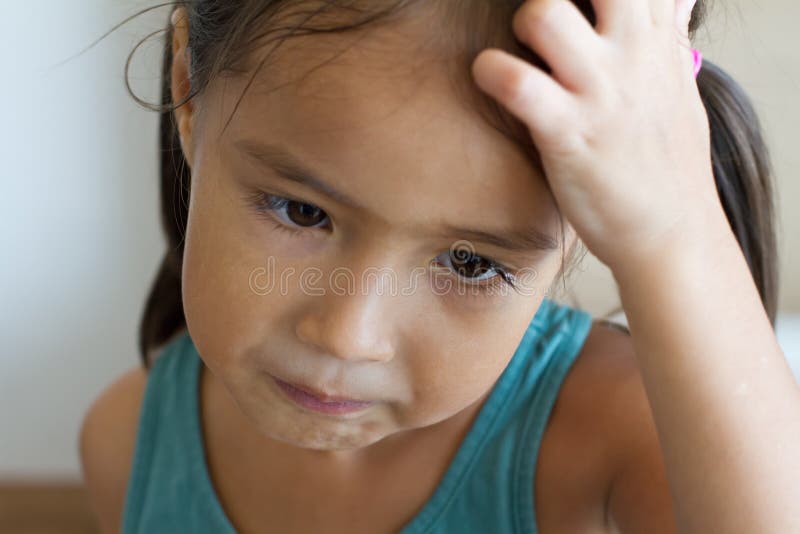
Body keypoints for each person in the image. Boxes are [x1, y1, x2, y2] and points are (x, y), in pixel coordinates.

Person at [79, 0, 800, 532]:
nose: (348, 336)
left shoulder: (620, 439)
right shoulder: (125, 443)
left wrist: (673, 229)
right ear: (187, 86)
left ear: (583, 227)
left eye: (468, 261)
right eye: (302, 212)